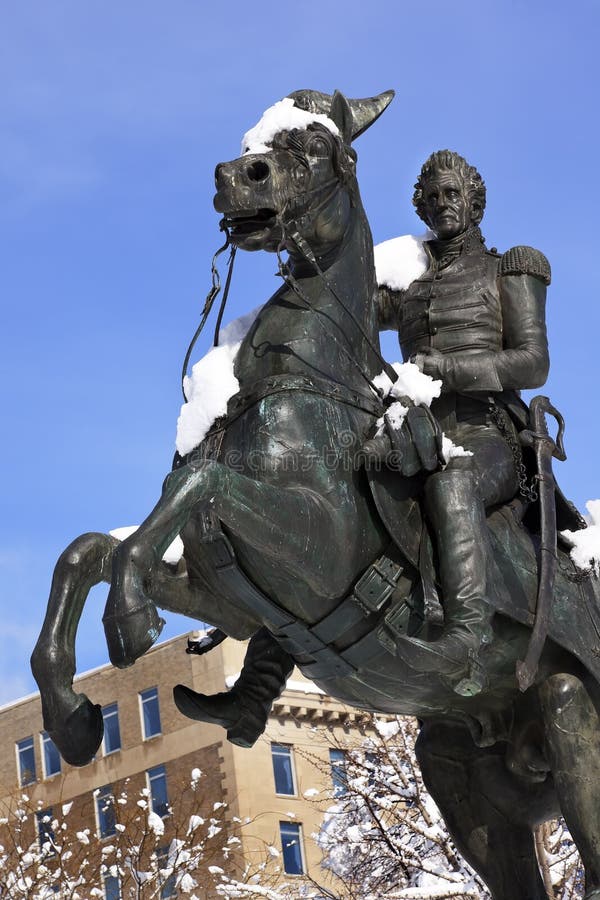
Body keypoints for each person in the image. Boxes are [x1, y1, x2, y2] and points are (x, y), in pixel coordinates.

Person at [174, 149, 551, 741]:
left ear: (476, 201)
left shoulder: (512, 268)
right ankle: (255, 695)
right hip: (416, 428)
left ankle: (467, 631)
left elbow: (533, 363)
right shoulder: (409, 284)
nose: (442, 205)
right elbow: (334, 306)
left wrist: (446, 370)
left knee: (452, 478)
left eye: (453, 194)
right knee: (328, 511)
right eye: (431, 197)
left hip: (488, 432)